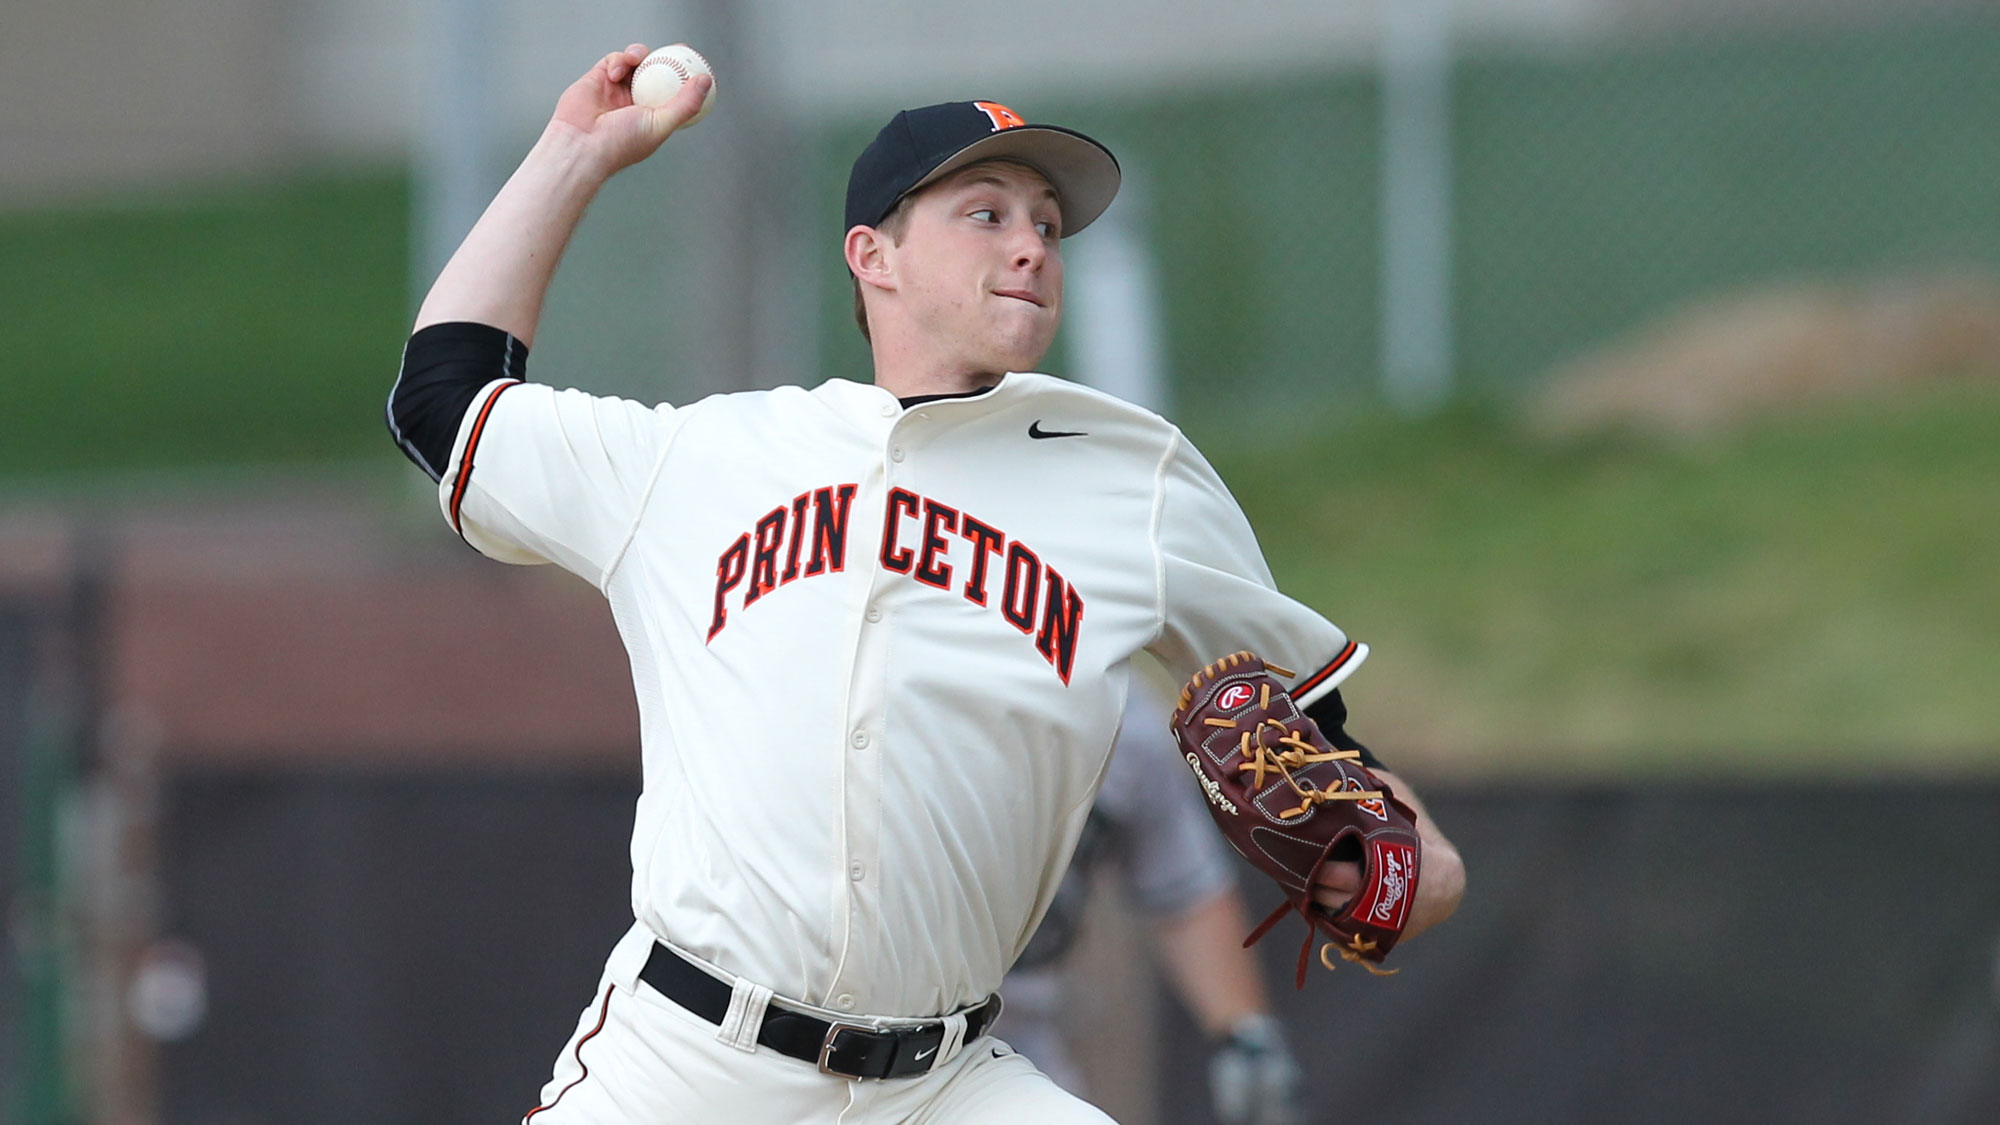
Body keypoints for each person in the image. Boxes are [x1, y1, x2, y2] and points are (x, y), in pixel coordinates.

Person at [385, 44, 1465, 1124]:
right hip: (688, 1064)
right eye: (984, 213)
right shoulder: (701, 458)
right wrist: (573, 155)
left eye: (1047, 224)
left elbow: (1322, 745)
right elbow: (444, 403)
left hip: (943, 1084)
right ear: (873, 255)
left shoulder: (1132, 474)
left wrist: (1403, 870)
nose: (1032, 247)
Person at [999, 672, 1307, 1125]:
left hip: (1015, 1055)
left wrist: (1248, 1037)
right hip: (870, 1052)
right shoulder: (880, 683)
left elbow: (1186, 892)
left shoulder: (1123, 717)